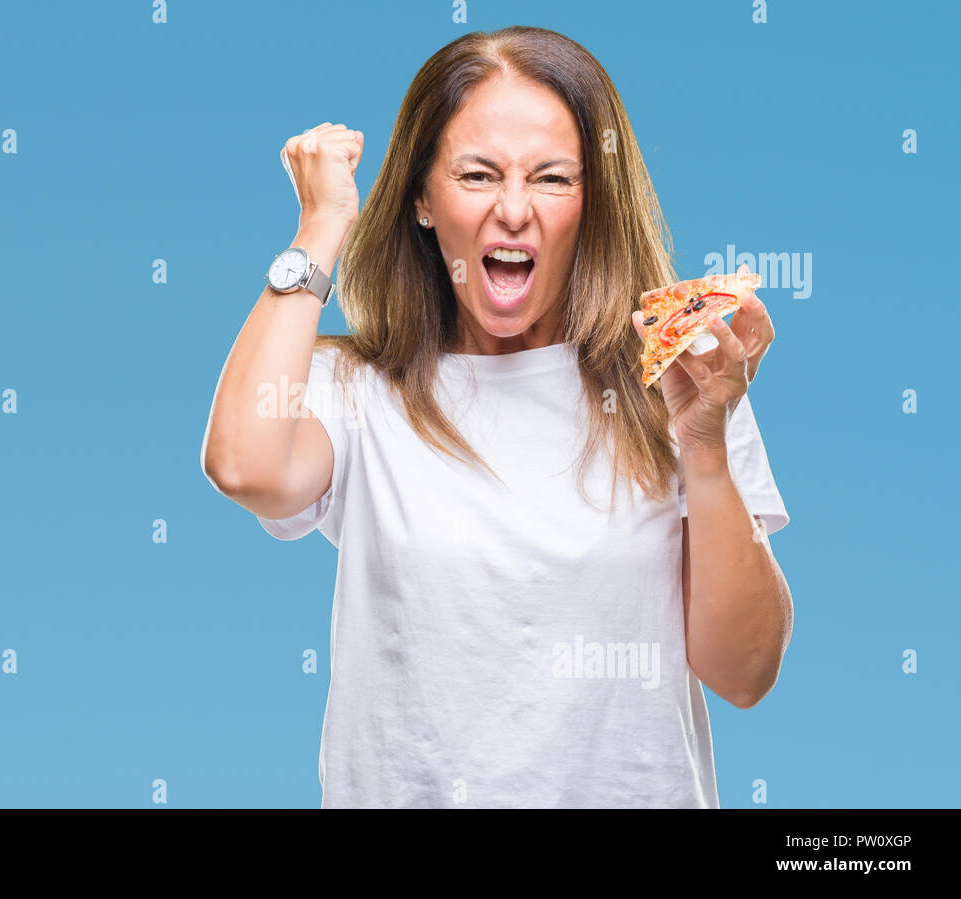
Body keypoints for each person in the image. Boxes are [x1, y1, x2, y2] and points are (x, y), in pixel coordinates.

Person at [200, 25, 792, 809]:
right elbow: (244, 464)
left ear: (590, 201)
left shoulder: (677, 377)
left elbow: (743, 671)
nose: (513, 210)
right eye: (477, 174)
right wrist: (319, 229)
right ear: (421, 196)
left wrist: (708, 444)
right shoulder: (354, 389)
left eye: (551, 178)